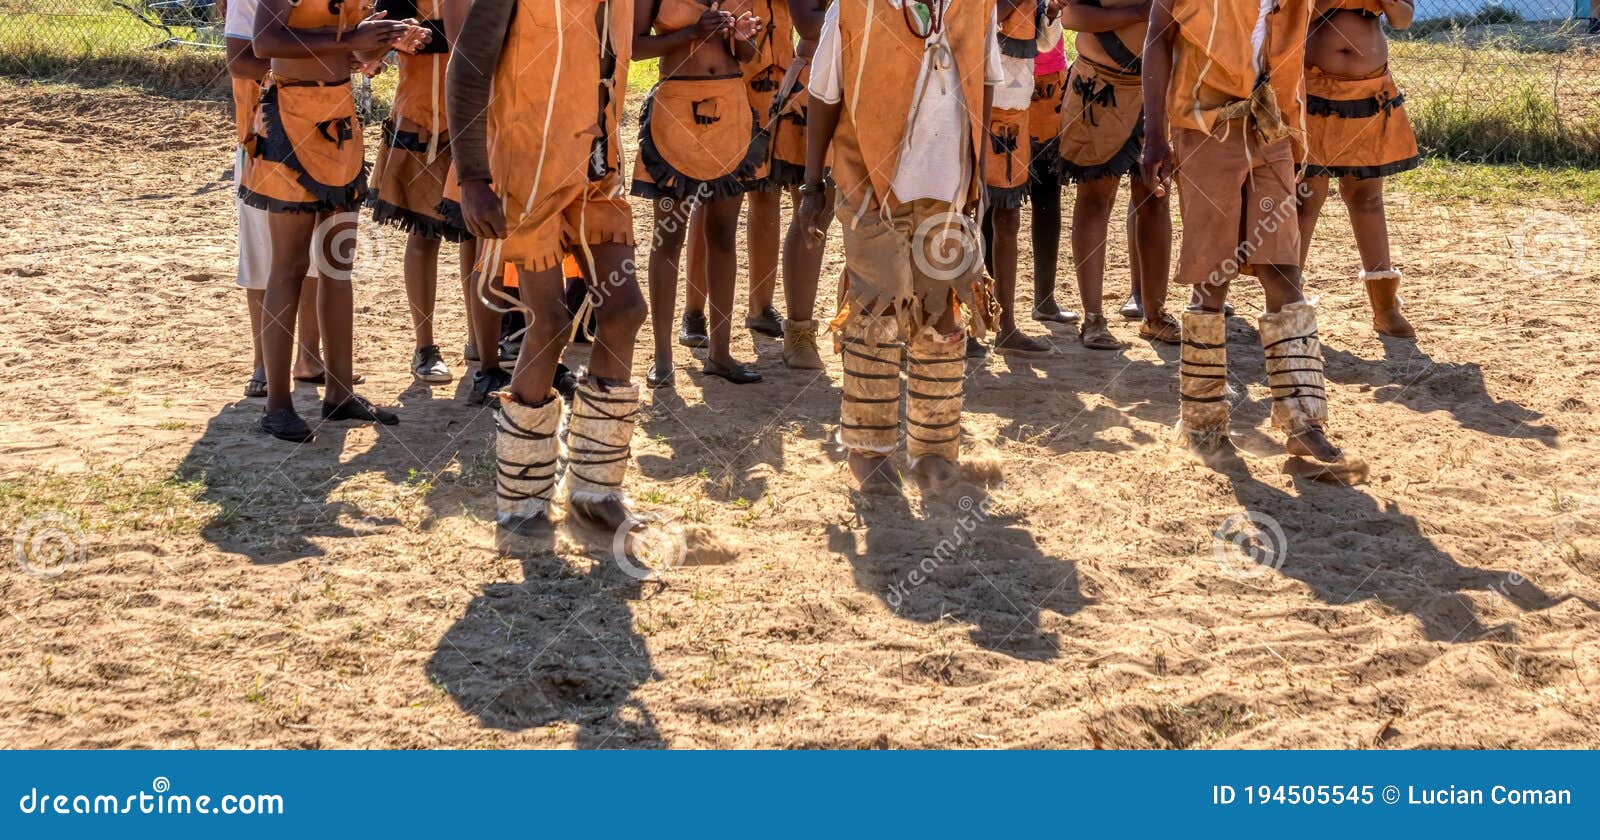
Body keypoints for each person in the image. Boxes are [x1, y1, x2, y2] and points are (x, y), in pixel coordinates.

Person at [1143, 0, 1366, 480]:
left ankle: (1303, 421)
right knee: (1213, 271)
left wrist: (1295, 128)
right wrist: (1154, 137)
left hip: (1270, 124)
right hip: (1205, 125)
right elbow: (1157, 40)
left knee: (1282, 265)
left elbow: (1287, 54)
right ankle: (1202, 423)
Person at [448, 0, 650, 530]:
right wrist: (472, 177)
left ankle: (596, 489)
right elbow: (468, 64)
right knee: (551, 322)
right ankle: (522, 498)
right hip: (527, 175)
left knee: (625, 310)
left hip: (597, 174)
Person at [796, 0, 1004, 495]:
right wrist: (811, 185)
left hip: (947, 185)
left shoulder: (977, 7)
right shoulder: (853, 8)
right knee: (877, 312)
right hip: (869, 185)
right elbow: (824, 92)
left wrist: (979, 167)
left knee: (941, 314)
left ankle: (934, 447)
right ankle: (868, 450)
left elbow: (986, 79)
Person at [244, 0, 424, 441]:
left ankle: (339, 394)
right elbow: (264, 41)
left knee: (337, 263)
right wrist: (352, 40)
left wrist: (383, 41)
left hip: (339, 117)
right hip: (289, 117)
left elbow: (352, 54)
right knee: (287, 266)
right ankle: (278, 404)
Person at [633, 0, 766, 388]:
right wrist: (691, 32)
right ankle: (662, 357)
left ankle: (720, 354)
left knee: (723, 236)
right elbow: (635, 48)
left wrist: (743, 38)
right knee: (667, 238)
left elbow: (746, 54)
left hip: (729, 109)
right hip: (674, 113)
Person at [223, 0, 349, 400]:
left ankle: (309, 357)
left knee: (318, 257)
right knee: (267, 258)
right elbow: (243, 59)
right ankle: (263, 363)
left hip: (324, 130)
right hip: (265, 136)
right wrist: (320, 58)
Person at [1057, 0, 1177, 348]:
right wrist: (1142, 13)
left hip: (1156, 93)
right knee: (1095, 199)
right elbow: (1072, 16)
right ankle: (1093, 318)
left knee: (1155, 199)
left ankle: (1154, 314)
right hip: (1099, 88)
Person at [1295, 0, 1419, 338]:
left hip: (1369, 92)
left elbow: (1404, 19)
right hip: (1313, 90)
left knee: (1367, 197)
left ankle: (1385, 308)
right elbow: (1290, 18)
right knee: (1305, 198)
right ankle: (1287, 303)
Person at [369, 0, 473, 384]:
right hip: (420, 120)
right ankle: (425, 346)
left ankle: (479, 339)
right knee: (423, 234)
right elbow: (374, 42)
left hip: (474, 118)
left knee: (475, 235)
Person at [972, 0, 1057, 358]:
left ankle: (1005, 326)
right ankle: (965, 324)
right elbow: (976, 28)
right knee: (966, 217)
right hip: (973, 104)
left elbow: (1041, 43)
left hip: (1016, 108)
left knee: (1008, 217)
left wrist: (1051, 13)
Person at [1024, 23, 1079, 327]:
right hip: (1001, 79)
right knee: (996, 203)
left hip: (1049, 85)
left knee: (1047, 194)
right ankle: (995, 304)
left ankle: (1044, 300)